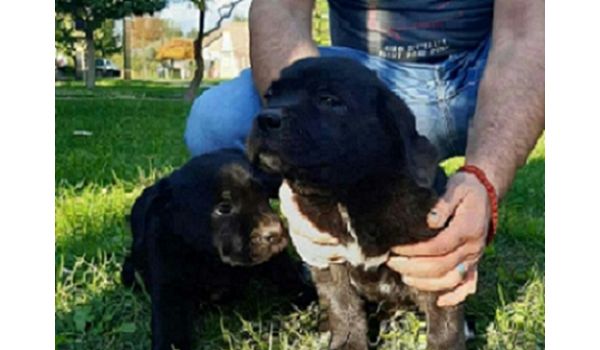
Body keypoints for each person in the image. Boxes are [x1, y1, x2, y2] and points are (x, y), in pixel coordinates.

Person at [184, 0, 544, 306]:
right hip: (364, 87)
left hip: (489, 66)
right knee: (217, 120)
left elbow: (530, 30)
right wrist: (297, 159)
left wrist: (485, 178)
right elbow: (280, 8)